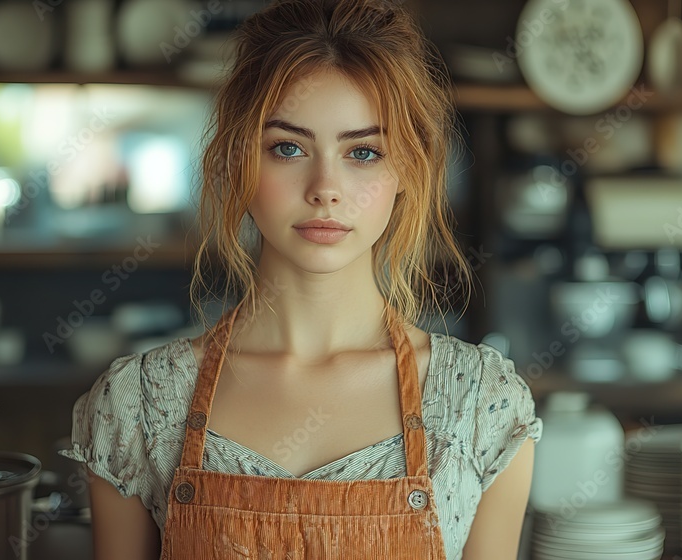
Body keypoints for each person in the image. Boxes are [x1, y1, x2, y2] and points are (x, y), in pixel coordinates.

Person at [59, 0, 542, 558]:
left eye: (364, 152)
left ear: (409, 169)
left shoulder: (482, 405)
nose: (325, 188)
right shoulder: (139, 406)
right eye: (288, 148)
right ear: (237, 161)